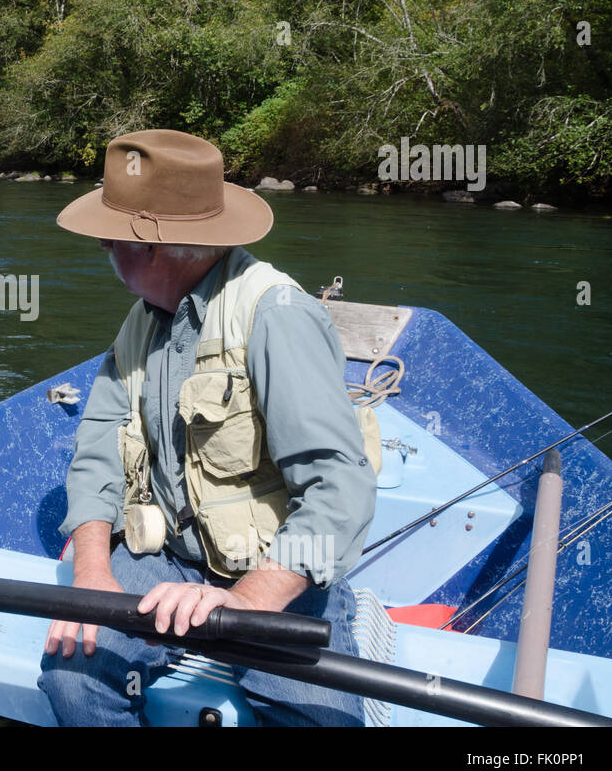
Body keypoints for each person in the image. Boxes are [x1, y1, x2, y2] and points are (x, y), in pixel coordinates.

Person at [38, 128, 377, 726]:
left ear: (154, 250)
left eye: (107, 240)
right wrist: (93, 577)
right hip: (165, 558)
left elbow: (339, 494)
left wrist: (241, 602)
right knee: (74, 679)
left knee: (322, 722)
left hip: (271, 571)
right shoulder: (140, 324)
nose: (99, 246)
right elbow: (97, 457)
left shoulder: (277, 318)